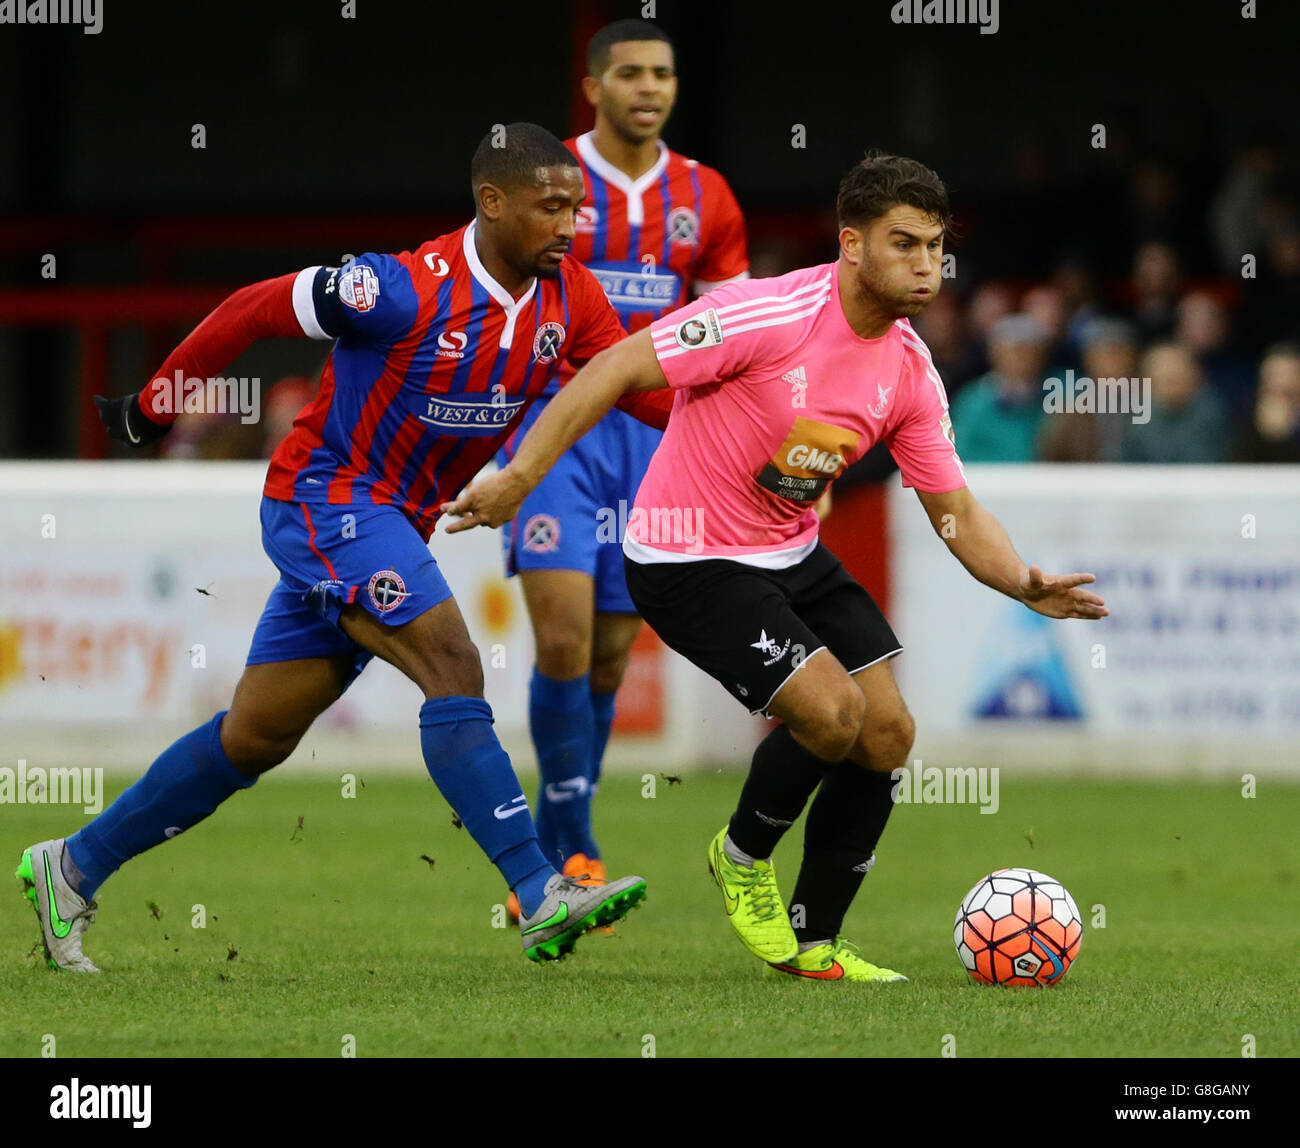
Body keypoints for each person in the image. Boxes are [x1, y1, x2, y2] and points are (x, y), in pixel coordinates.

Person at [17, 123, 670, 972]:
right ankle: (542, 890)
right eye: (551, 208)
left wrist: (753, 428)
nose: (569, 227)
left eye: (576, 209)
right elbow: (253, 308)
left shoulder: (571, 298)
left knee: (255, 736)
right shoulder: (398, 288)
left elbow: (637, 389)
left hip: (392, 523)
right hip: (326, 500)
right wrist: (153, 407)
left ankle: (70, 867)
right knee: (451, 663)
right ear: (492, 201)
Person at [444, 151, 1108, 983]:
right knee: (832, 715)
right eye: (905, 243)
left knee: (887, 733)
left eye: (937, 247)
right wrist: (519, 478)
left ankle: (816, 940)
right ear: (852, 245)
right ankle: (740, 856)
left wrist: (1020, 580)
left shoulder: (910, 370)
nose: (927, 266)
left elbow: (957, 512)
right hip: (686, 556)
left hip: (789, 551)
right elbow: (614, 366)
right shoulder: (763, 313)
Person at [495, 19, 749, 919]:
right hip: (554, 429)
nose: (649, 88)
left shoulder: (706, 196)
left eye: (663, 75)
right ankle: (571, 846)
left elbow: (728, 335)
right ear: (594, 86)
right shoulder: (549, 178)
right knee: (563, 639)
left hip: (655, 441)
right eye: (631, 73)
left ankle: (560, 838)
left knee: (609, 657)